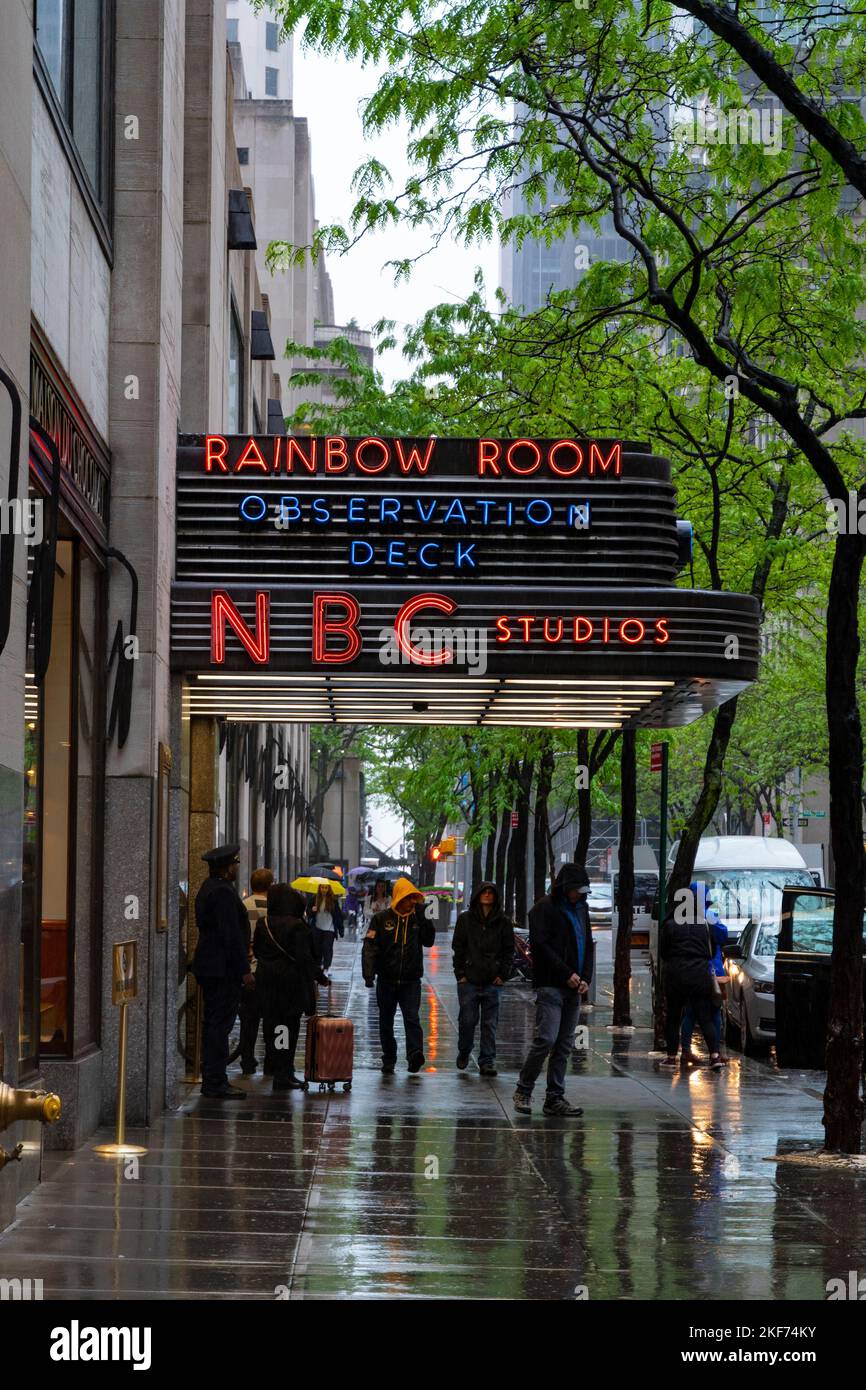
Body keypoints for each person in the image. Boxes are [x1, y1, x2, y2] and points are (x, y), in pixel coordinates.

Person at [513, 863, 594, 1117]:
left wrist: (585, 978)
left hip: (574, 986)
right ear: (565, 887)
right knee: (546, 1039)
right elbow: (541, 947)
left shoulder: (582, 910)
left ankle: (554, 1097)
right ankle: (523, 1091)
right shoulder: (543, 909)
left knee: (564, 1044)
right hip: (551, 985)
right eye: (576, 890)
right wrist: (566, 974)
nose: (579, 895)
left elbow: (587, 945)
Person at [191, 844, 252, 1099]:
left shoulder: (207, 888)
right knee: (219, 1025)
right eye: (235, 864)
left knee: (213, 1023)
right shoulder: (223, 893)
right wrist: (244, 970)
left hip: (210, 965)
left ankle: (213, 1078)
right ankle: (216, 1081)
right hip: (222, 969)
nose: (237, 868)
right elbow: (231, 936)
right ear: (227, 867)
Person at [255, 884, 329, 1090]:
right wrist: (320, 977)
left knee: (272, 1027)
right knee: (288, 1029)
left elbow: (259, 950)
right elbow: (306, 959)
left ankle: (275, 1066)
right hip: (290, 986)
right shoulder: (297, 926)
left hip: (268, 984)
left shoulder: (264, 923)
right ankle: (284, 1071)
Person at [362, 876, 435, 1074]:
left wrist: (424, 918)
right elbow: (370, 946)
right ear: (399, 897)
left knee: (412, 1018)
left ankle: (415, 1055)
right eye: (408, 898)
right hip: (386, 980)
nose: (412, 902)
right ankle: (389, 1057)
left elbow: (429, 941)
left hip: (411, 981)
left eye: (414, 898)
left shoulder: (418, 919)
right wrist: (368, 973)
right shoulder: (381, 919)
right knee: (385, 1020)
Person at [452, 881, 515, 1076]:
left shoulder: (503, 922)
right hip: (469, 981)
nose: (487, 895)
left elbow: (508, 950)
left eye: (491, 893)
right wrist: (460, 974)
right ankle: (464, 1050)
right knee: (467, 1020)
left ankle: (487, 1060)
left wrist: (502, 975)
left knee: (490, 1023)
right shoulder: (466, 920)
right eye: (484, 892)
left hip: (492, 981)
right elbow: (458, 947)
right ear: (478, 895)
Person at [659, 882, 723, 1070]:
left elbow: (664, 953)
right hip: (699, 975)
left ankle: (671, 1058)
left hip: (677, 975)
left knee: (673, 1016)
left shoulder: (670, 925)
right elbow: (712, 951)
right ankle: (715, 1056)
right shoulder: (704, 925)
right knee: (705, 1017)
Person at [681, 887, 730, 1064]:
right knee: (714, 1011)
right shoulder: (709, 915)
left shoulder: (683, 917)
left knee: (690, 1012)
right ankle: (715, 1052)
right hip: (712, 971)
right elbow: (723, 934)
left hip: (691, 970)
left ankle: (685, 1050)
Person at [238, 867, 274, 1075]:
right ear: (270, 886)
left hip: (247, 970)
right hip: (267, 970)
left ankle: (247, 1060)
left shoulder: (243, 906)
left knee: (248, 1020)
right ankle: (270, 1059)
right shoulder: (273, 909)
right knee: (270, 1019)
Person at [307, 884, 344, 969]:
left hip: (329, 928)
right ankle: (318, 966)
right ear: (319, 888)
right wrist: (312, 910)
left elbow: (338, 916)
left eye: (326, 888)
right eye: (322, 887)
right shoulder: (314, 899)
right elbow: (308, 913)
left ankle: (327, 967)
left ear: (329, 889)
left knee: (327, 949)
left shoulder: (333, 901)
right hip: (317, 928)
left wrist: (341, 929)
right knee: (317, 949)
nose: (324, 890)